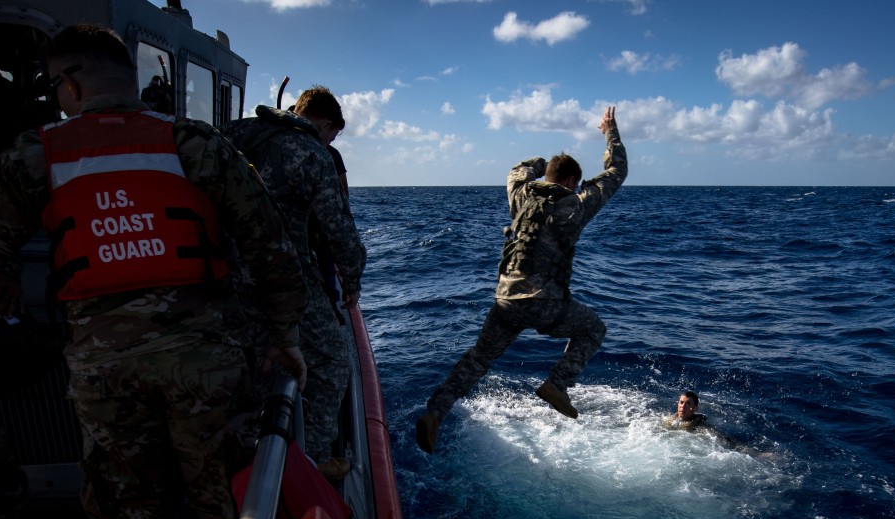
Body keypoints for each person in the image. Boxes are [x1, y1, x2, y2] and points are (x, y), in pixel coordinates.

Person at [0, 23, 309, 519]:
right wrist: (284, 334)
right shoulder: (195, 144)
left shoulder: (38, 153)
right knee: (219, 502)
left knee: (128, 507)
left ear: (71, 82)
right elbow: (271, 248)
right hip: (204, 364)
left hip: (102, 370)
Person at [416, 106, 627, 454]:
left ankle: (435, 412)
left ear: (546, 176)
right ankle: (557, 384)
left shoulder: (520, 195)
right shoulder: (575, 204)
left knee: (478, 359)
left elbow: (517, 169)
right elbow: (617, 170)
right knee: (593, 329)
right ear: (573, 181)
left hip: (506, 301)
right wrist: (609, 131)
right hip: (547, 305)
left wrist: (540, 162)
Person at [223, 86, 367, 478]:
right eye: (332, 135)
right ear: (322, 123)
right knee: (334, 365)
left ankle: (242, 460)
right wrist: (352, 278)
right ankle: (308, 464)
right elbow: (337, 227)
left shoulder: (232, 135)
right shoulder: (308, 150)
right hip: (283, 280)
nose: (329, 143)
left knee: (249, 371)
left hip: (221, 284)